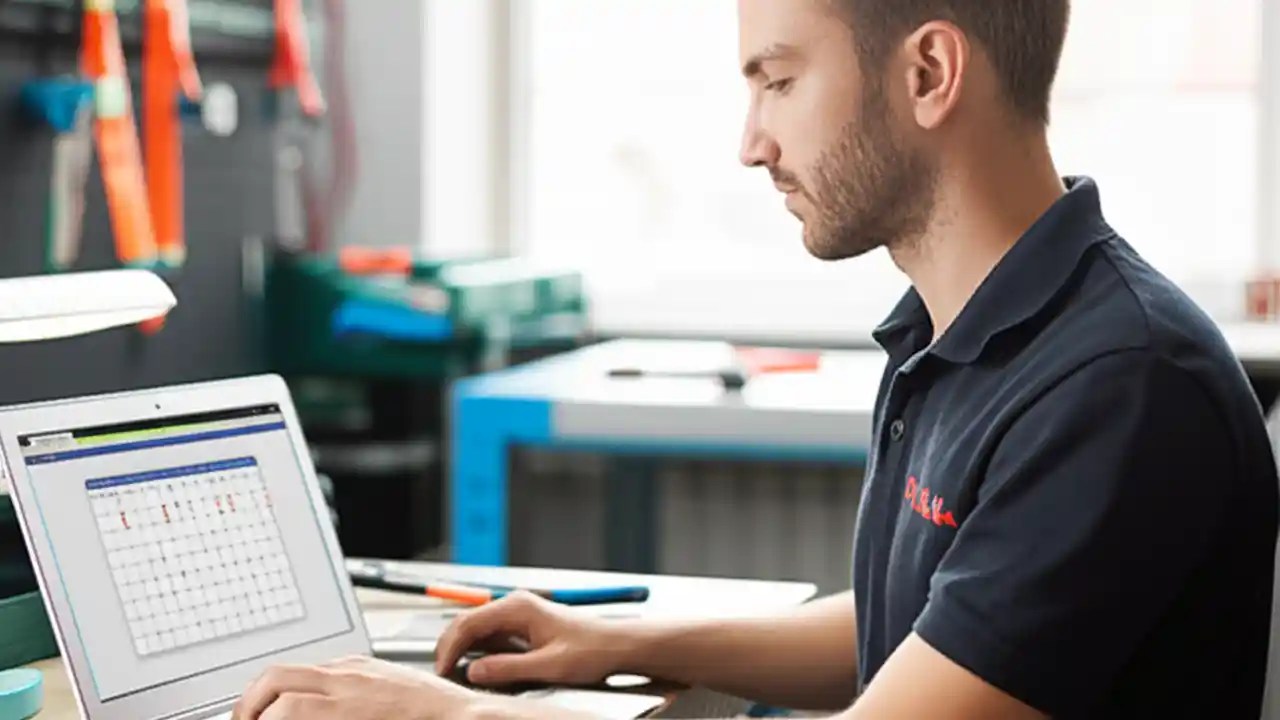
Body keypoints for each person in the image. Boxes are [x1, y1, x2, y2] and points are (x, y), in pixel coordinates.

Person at [232, 0, 1280, 718]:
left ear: (926, 72)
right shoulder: (951, 329)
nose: (749, 141)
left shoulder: (1117, 387)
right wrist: (624, 643)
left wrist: (446, 714)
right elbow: (921, 630)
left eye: (776, 81)